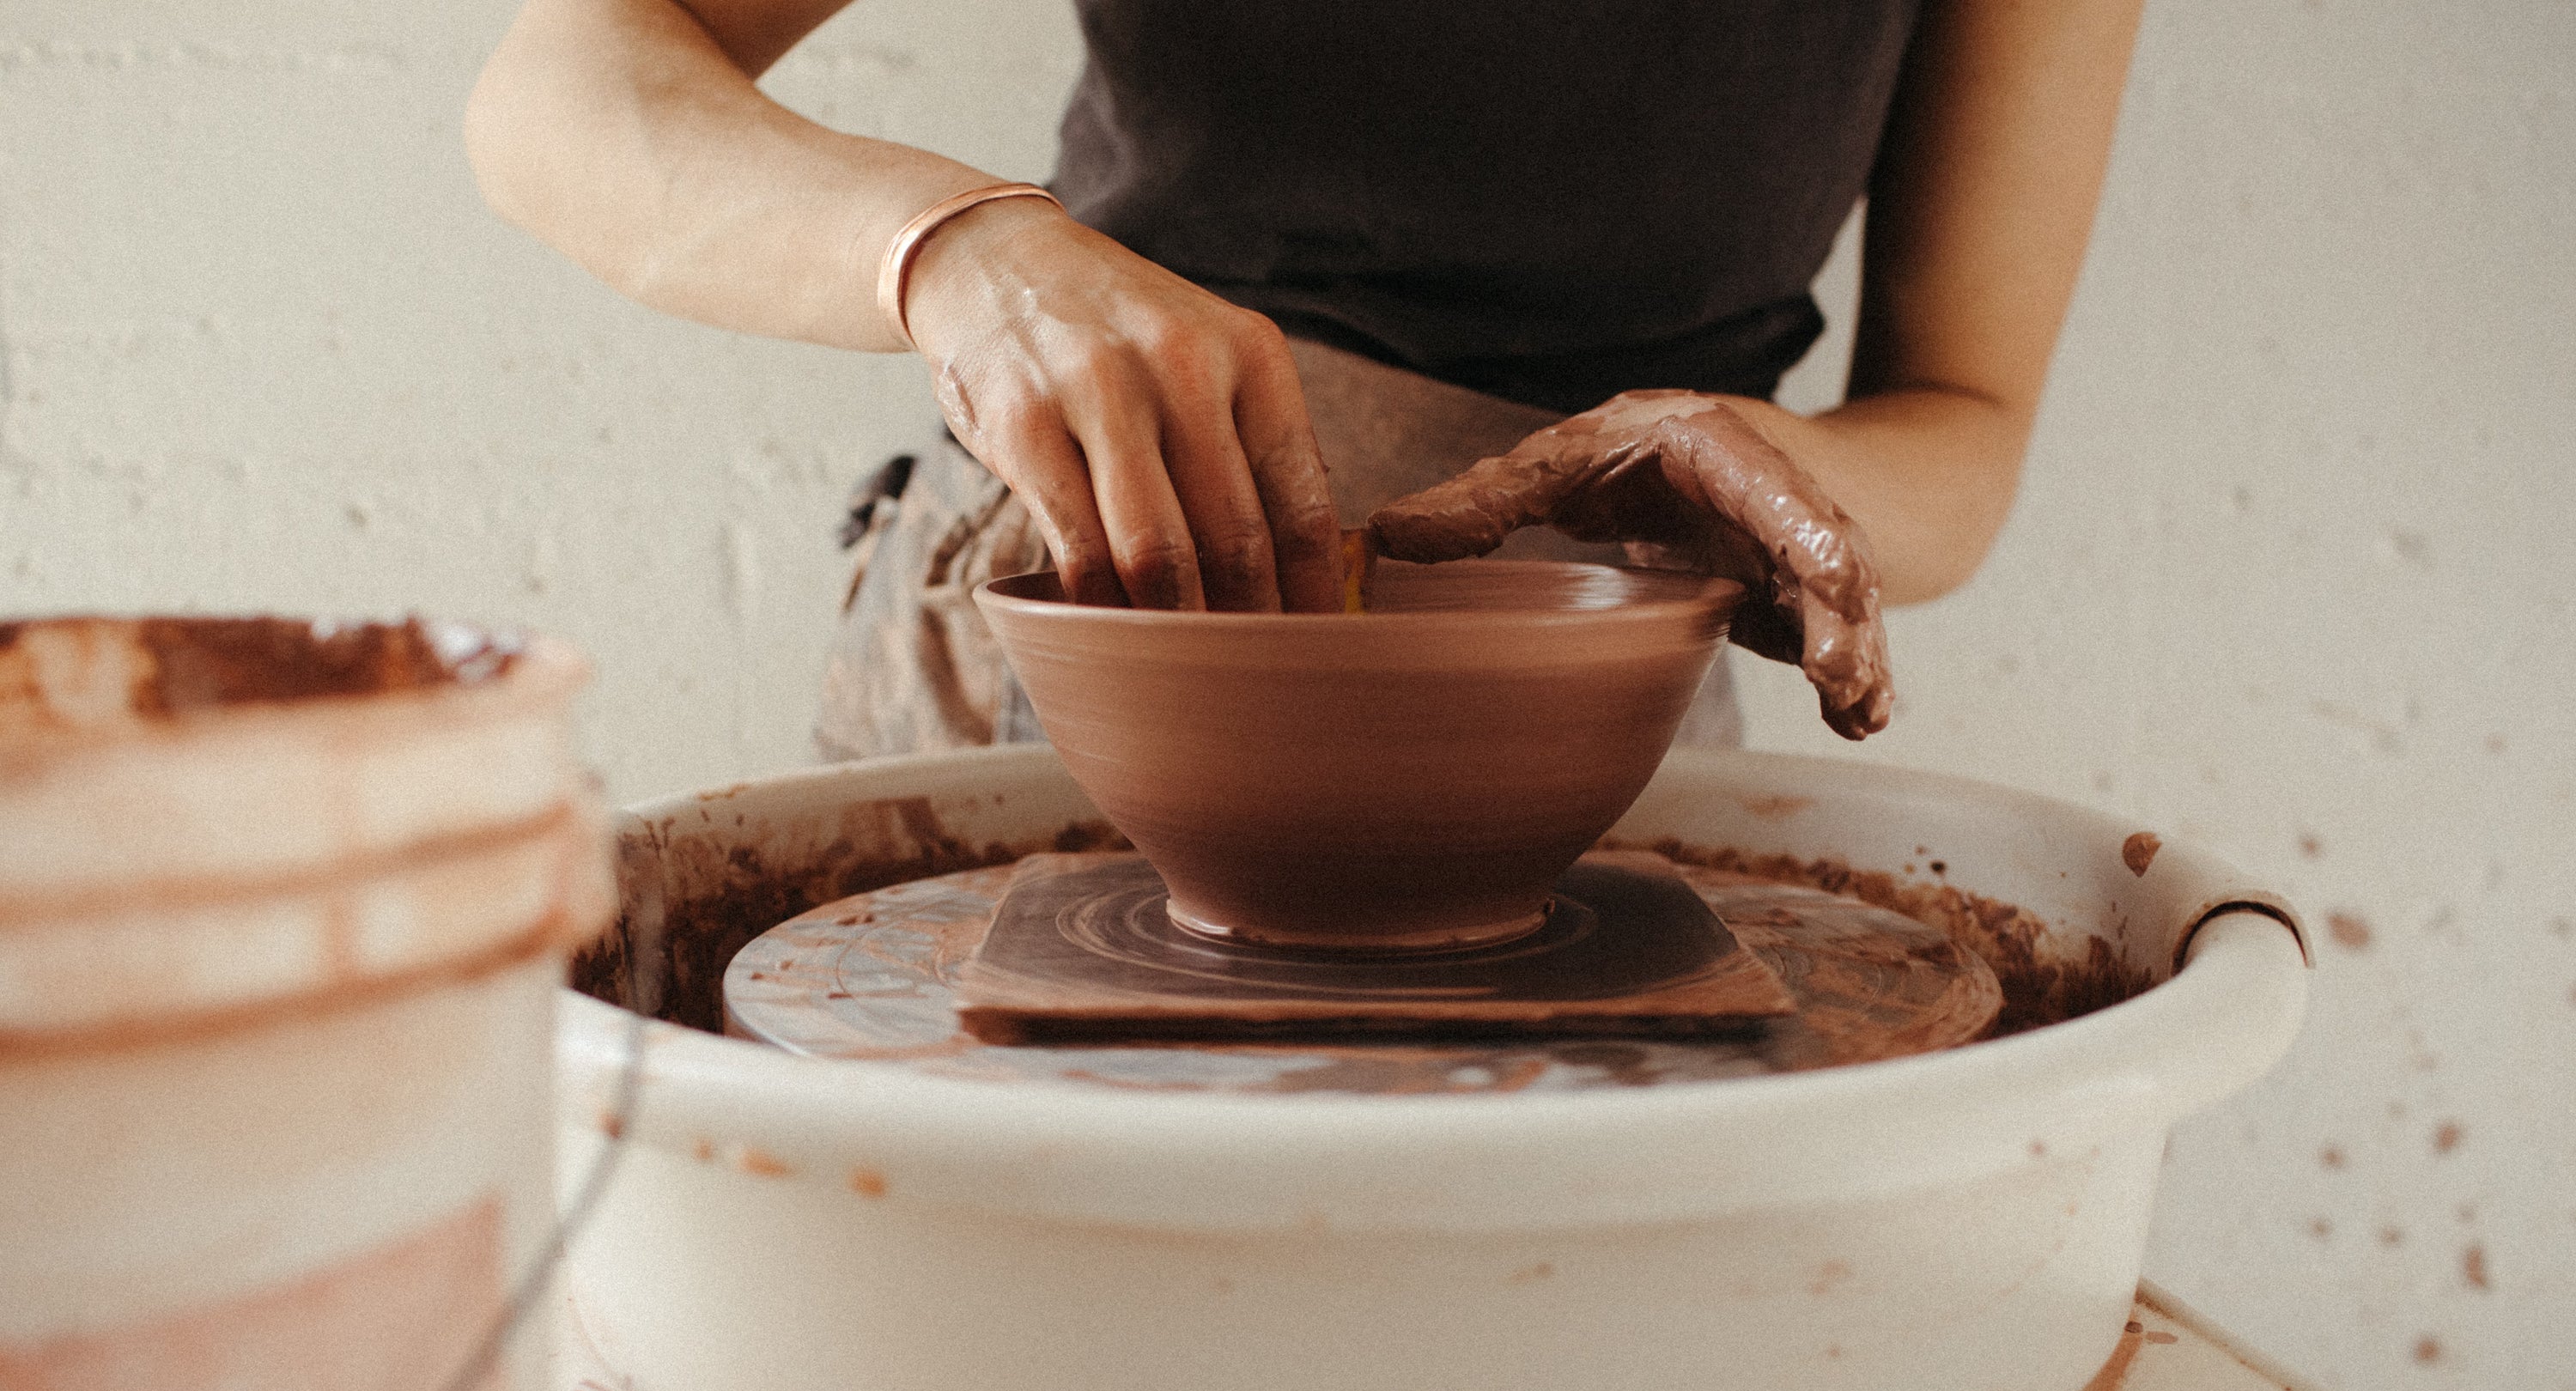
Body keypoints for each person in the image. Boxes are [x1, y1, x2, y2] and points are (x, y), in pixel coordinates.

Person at [465, 0, 2142, 756]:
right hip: (1091, 619)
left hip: (1586, 705)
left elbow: (1965, 428)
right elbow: (562, 89)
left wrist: (1746, 462)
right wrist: (960, 252)